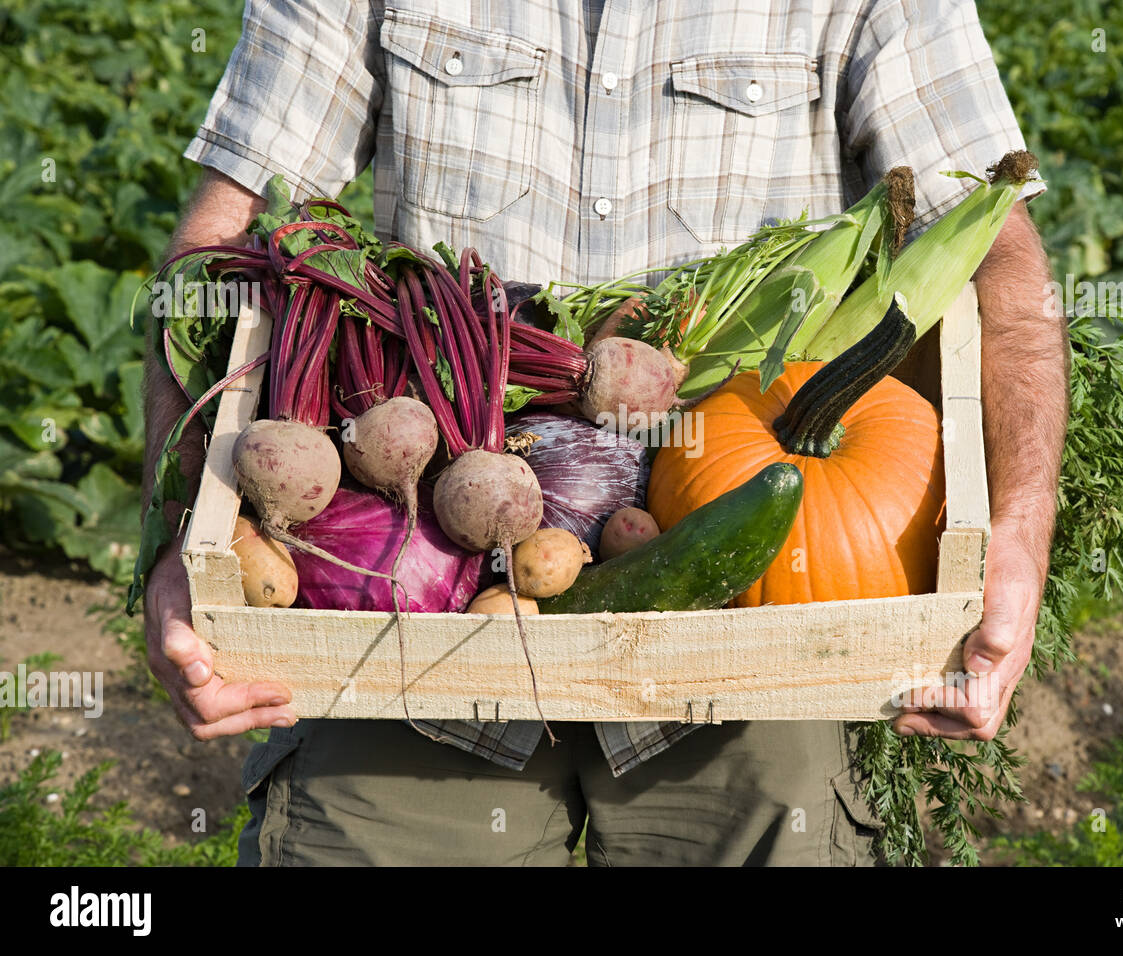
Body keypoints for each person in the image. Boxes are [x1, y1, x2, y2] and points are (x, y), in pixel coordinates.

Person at [143, 0, 1067, 866]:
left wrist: (1018, 545)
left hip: (747, 615)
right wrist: (183, 542)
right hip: (417, 593)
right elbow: (221, 246)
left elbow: (998, 259)